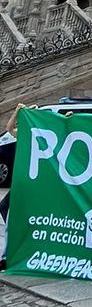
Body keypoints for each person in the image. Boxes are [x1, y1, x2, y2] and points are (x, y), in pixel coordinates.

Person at [0, 101, 27, 270]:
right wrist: (17, 112)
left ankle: (6, 256)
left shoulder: (41, 135)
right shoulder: (23, 134)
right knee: (4, 208)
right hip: (19, 181)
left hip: (27, 182)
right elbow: (9, 128)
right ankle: (5, 255)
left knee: (8, 211)